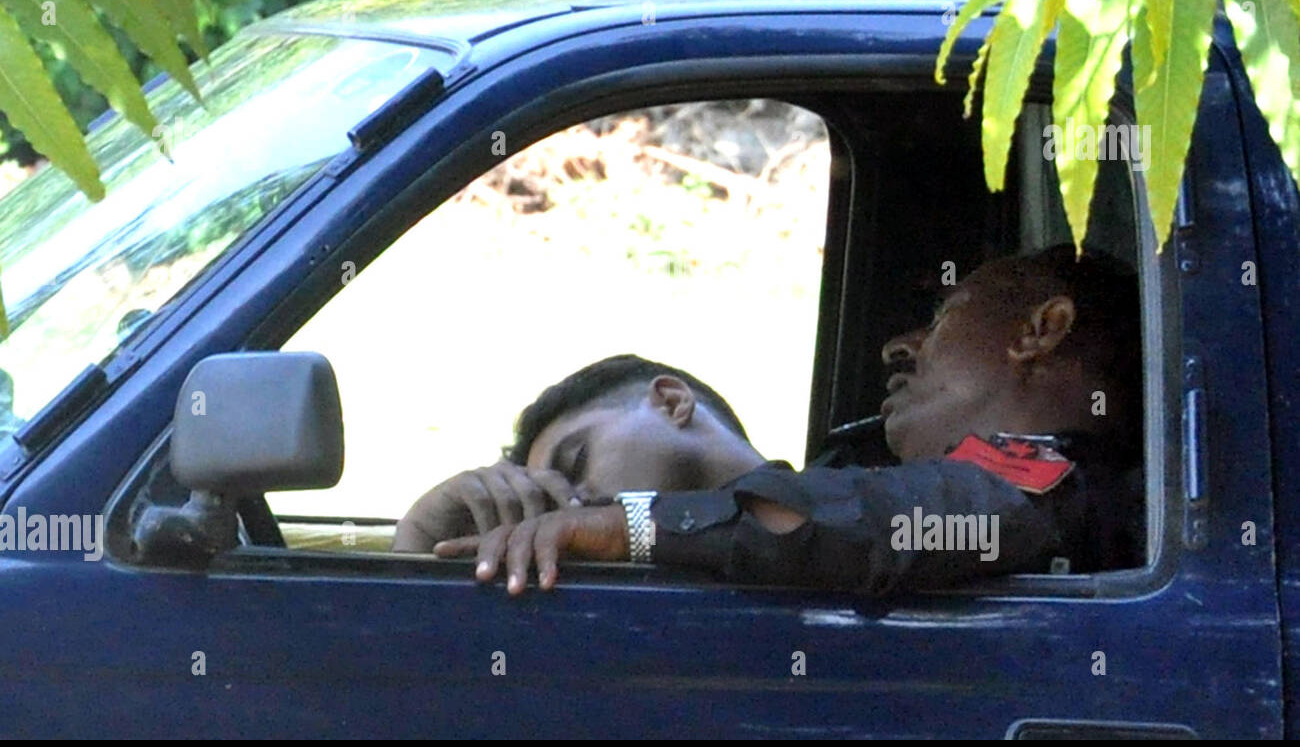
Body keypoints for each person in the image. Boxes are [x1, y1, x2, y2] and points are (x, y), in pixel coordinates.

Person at [431, 244, 1145, 596]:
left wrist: (630, 526)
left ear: (1039, 331)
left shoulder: (1061, 486)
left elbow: (885, 519)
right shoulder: (852, 478)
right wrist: (424, 545)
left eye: (941, 318)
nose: (900, 346)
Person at [392, 355, 757, 553]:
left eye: (577, 460)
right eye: (552, 506)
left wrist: (630, 527)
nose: (574, 505)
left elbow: (807, 525)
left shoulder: (812, 505)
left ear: (670, 402)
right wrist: (420, 542)